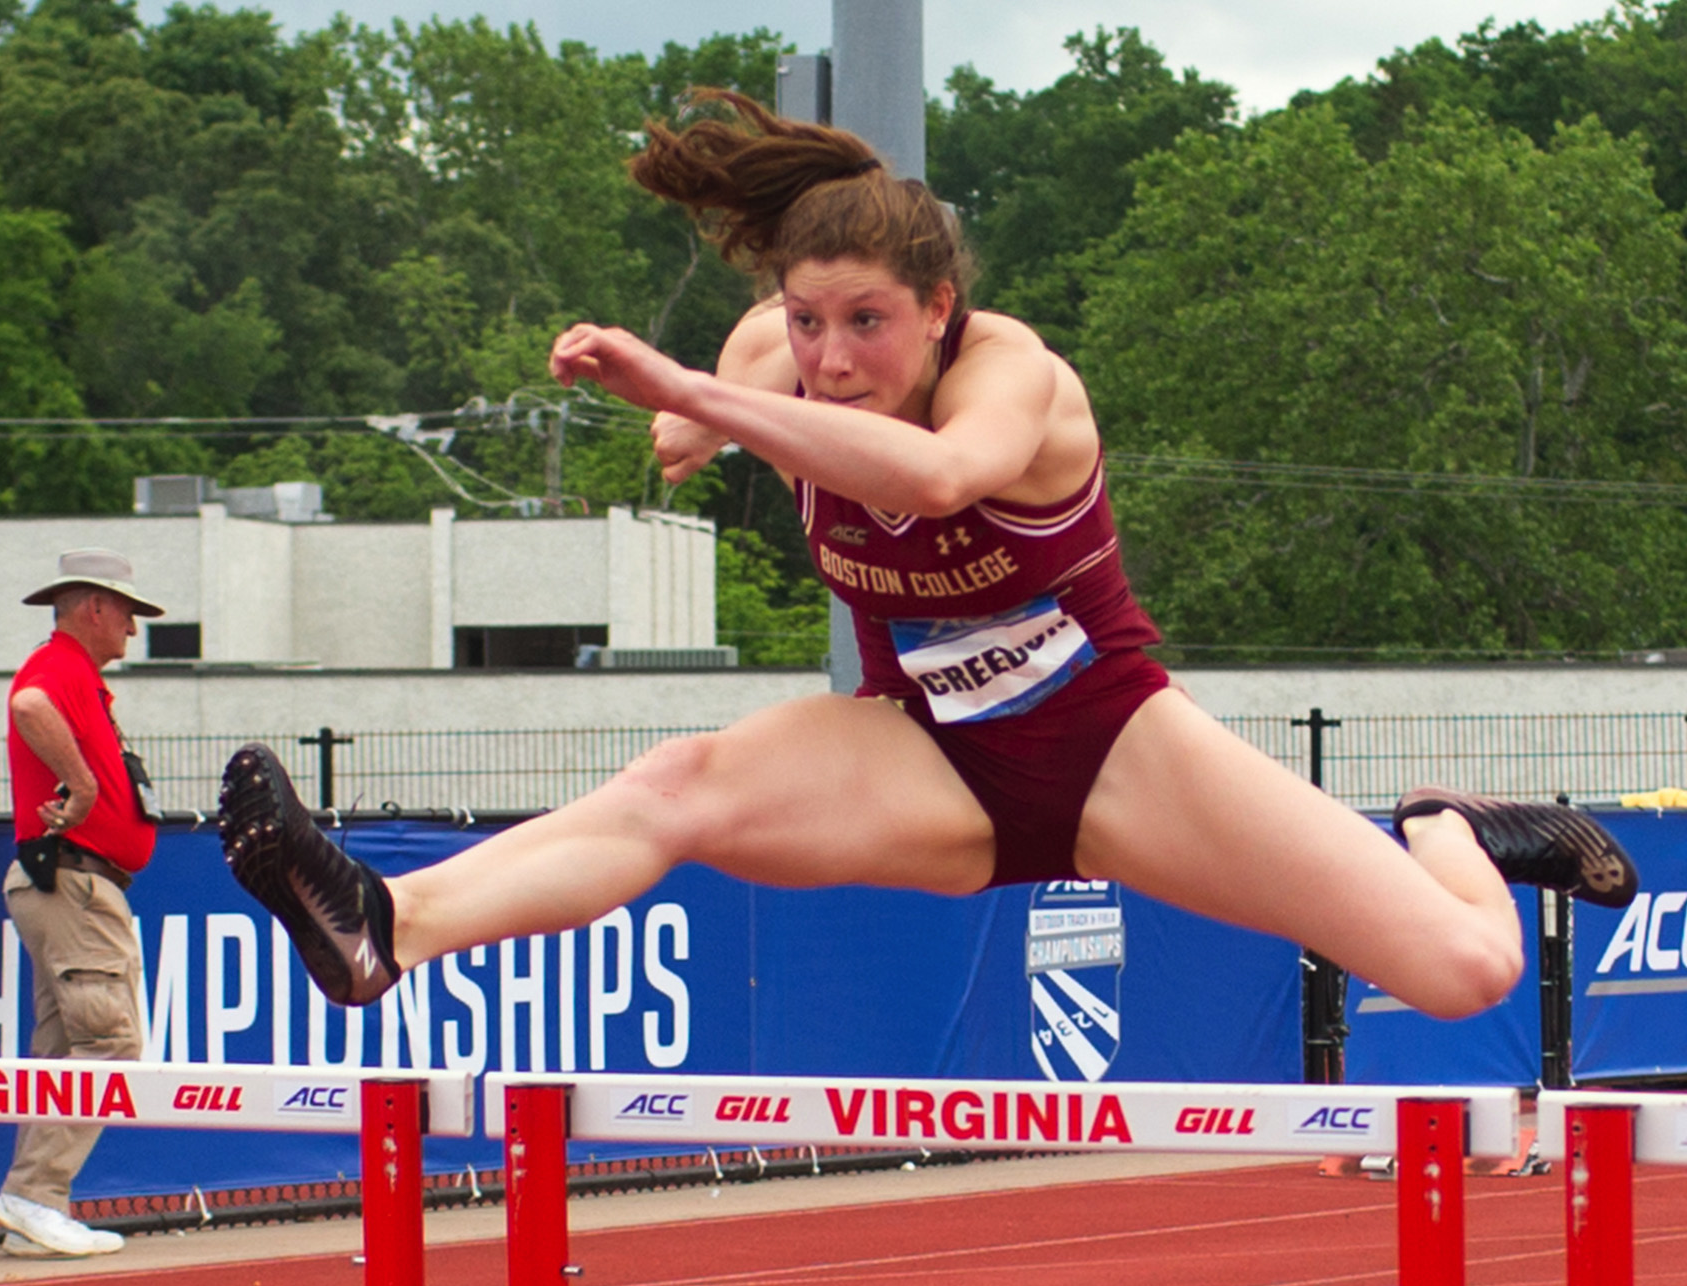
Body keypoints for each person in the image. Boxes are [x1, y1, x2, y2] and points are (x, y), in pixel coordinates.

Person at [216, 90, 1635, 1027]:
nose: (830, 361)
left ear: (941, 309)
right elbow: (705, 434)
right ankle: (382, 922)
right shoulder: (773, 356)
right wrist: (700, 429)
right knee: (679, 787)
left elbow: (940, 477)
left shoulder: (1019, 381)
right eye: (807, 320)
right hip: (926, 754)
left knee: (1467, 972)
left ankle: (1452, 824)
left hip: (1111, 745)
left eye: (869, 327)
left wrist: (702, 407)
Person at [0, 548, 163, 1258]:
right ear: (93, 606)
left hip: (69, 880)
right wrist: (83, 788)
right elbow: (27, 704)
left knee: (65, 1049)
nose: (133, 627)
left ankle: (37, 1204)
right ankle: (33, 1195)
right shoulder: (57, 668)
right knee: (111, 1042)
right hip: (72, 880)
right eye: (126, 611)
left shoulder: (76, 675)